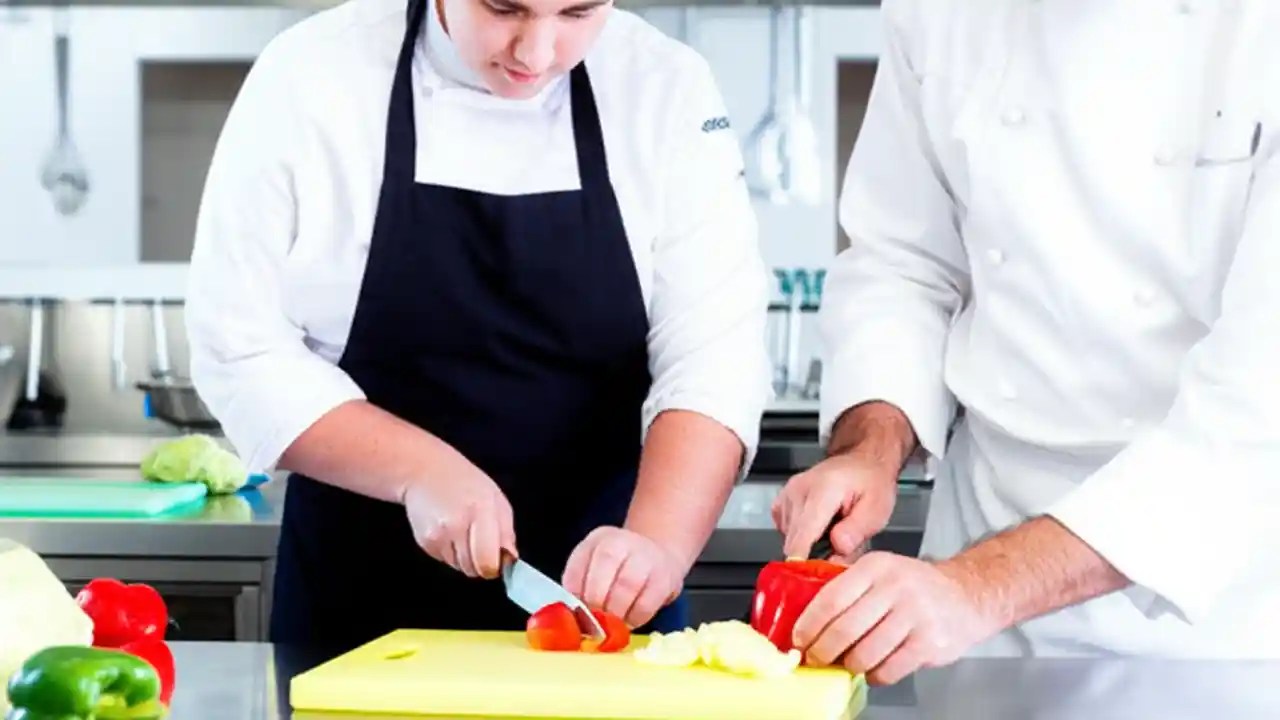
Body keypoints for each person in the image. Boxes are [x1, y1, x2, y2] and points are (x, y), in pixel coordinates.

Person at [184, 0, 770, 650]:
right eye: (503, 8)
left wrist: (658, 541)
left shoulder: (664, 86)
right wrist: (419, 470)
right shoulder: (312, 74)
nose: (537, 53)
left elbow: (716, 355)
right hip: (360, 609)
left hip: (605, 611)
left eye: (578, 13)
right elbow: (238, 345)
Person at [773, 0, 1280, 683]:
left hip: (1217, 627)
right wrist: (870, 447)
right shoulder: (937, 13)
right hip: (979, 595)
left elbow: (1254, 416)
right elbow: (904, 263)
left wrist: (977, 587)